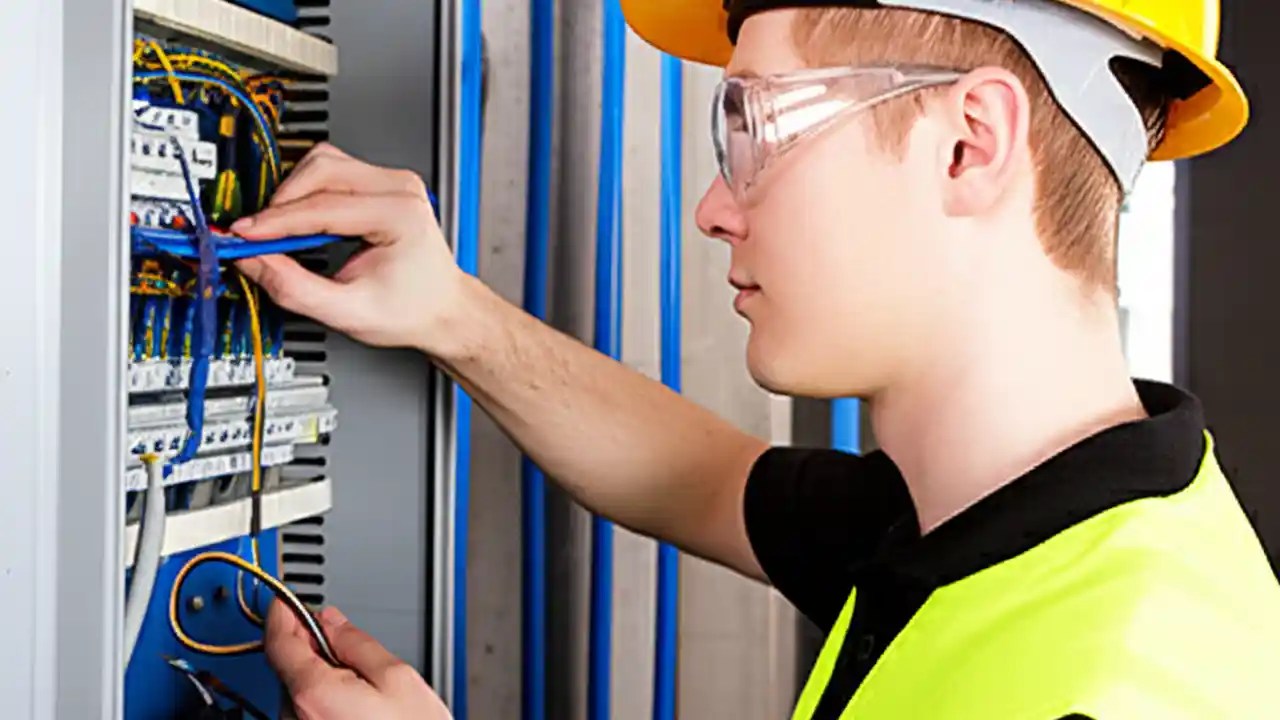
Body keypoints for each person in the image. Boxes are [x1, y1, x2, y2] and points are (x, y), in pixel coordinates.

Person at [235, 0, 1280, 717]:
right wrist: (451, 311)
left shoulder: (1101, 687)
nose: (713, 207)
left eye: (754, 127)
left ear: (968, 143)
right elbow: (704, 481)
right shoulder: (1022, 528)